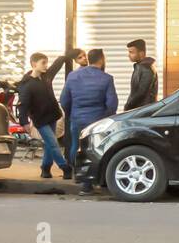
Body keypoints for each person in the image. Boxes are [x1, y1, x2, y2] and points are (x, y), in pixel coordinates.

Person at [59, 48, 118, 191]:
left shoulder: (72, 76)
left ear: (89, 59)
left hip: (77, 118)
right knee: (92, 149)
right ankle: (87, 182)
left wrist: (72, 113)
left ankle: (76, 173)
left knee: (75, 146)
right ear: (101, 59)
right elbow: (112, 104)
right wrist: (105, 118)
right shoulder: (106, 78)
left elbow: (64, 100)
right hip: (97, 120)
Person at [17, 52, 70, 180]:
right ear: (34, 64)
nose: (46, 66)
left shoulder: (46, 77)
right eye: (43, 63)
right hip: (40, 120)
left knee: (49, 144)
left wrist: (67, 56)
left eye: (46, 63)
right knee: (53, 143)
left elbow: (56, 65)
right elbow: (22, 104)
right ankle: (65, 168)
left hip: (52, 115)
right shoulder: (26, 84)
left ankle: (45, 168)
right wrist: (24, 122)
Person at [125, 39, 159, 111]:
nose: (129, 55)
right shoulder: (139, 67)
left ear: (141, 53)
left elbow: (141, 93)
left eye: (131, 52)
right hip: (139, 110)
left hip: (144, 111)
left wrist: (128, 106)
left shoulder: (146, 69)